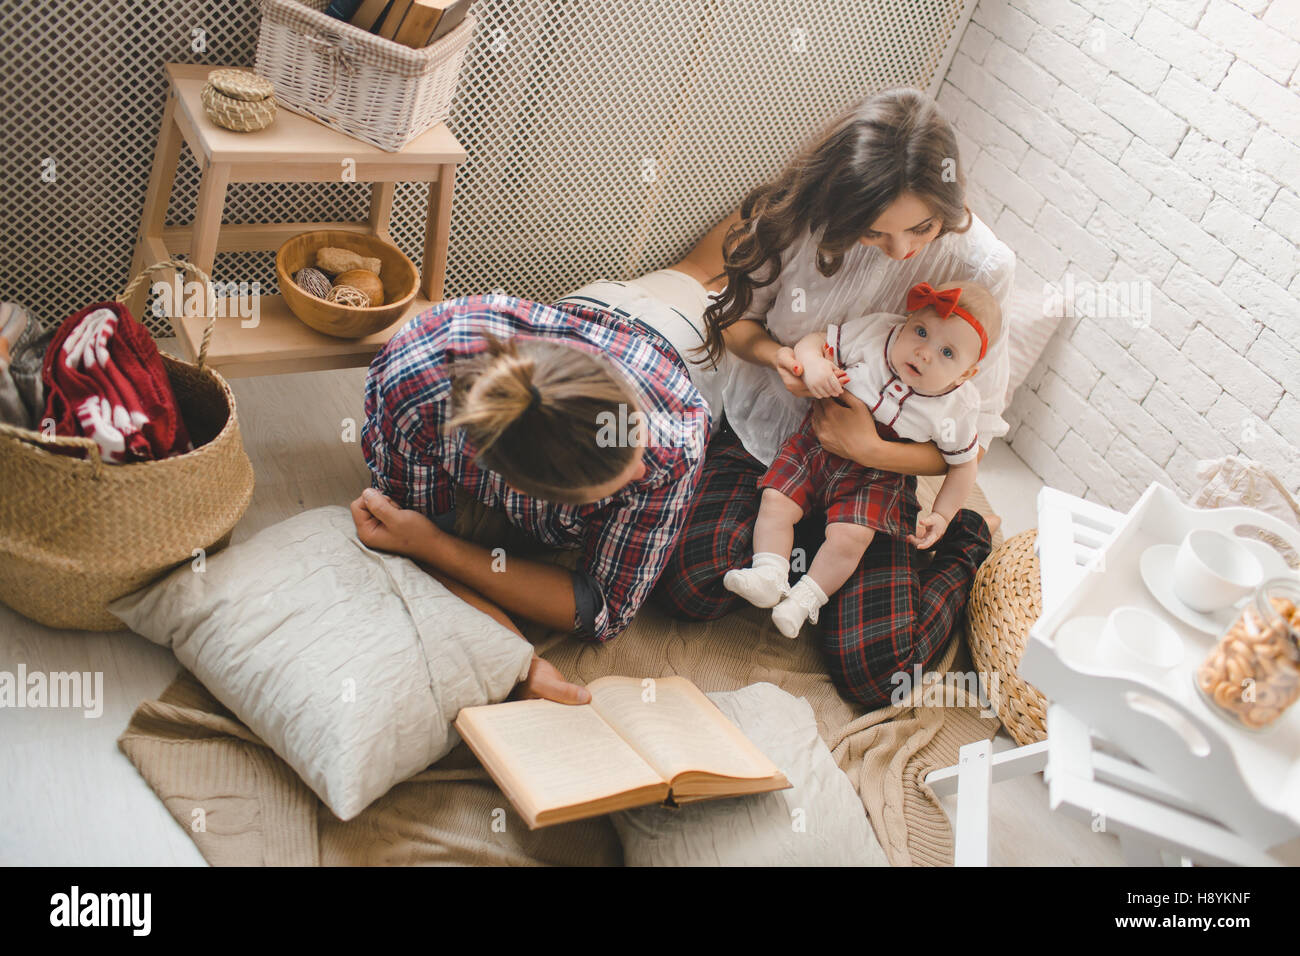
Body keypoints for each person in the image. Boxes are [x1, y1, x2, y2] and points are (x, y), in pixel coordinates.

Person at [561, 87, 1016, 708]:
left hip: (877, 472)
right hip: (768, 437)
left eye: (922, 228)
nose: (904, 252)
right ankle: (804, 555)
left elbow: (970, 436)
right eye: (875, 233)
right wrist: (779, 357)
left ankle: (964, 540)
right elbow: (737, 325)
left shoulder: (982, 267)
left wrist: (867, 449)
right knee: (692, 588)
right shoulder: (796, 219)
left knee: (879, 675)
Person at [352, 293, 710, 705]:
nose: (641, 471)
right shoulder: (412, 386)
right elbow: (414, 543)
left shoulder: (673, 441)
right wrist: (431, 544)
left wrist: (434, 547)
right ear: (522, 492)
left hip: (682, 339)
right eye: (612, 483)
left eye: (634, 435)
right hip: (595, 317)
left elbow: (603, 610)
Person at [723, 280, 1003, 638]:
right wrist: (812, 363)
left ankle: (805, 598)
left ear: (966, 374)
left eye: (948, 353)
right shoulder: (876, 335)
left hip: (877, 475)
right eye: (920, 331)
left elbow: (963, 463)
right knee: (776, 499)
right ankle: (769, 572)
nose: (924, 353)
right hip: (816, 447)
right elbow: (816, 339)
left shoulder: (958, 406)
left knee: (850, 537)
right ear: (904, 322)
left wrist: (943, 514)